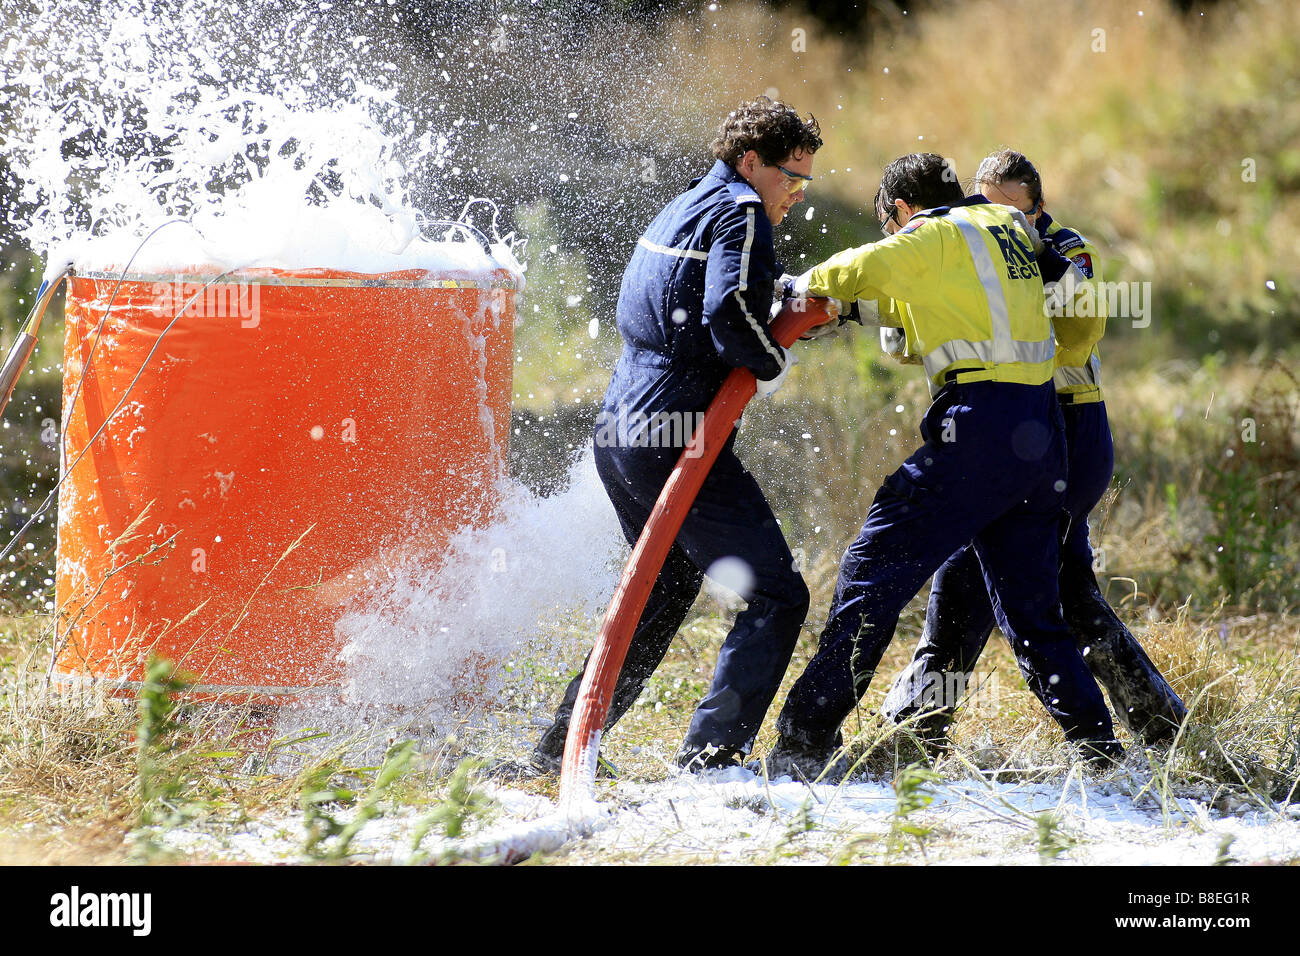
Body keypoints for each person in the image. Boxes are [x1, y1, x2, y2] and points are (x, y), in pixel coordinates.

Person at [765, 152, 1123, 780]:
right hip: (1043, 433)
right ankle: (1103, 756)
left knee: (873, 568)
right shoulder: (1011, 228)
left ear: (901, 210)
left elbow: (863, 268)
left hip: (979, 427)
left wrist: (795, 291)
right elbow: (1074, 312)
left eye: (891, 226)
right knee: (1035, 616)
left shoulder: (928, 233)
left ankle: (804, 738)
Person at [526, 97, 825, 774]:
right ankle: (712, 760)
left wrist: (773, 297)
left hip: (622, 431)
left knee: (657, 592)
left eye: (806, 183)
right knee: (778, 593)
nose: (797, 197)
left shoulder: (689, 200)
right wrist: (772, 360)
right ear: (752, 163)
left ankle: (559, 751)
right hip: (676, 441)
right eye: (791, 178)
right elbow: (725, 314)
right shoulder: (744, 210)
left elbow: (687, 299)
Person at [880, 149, 1186, 747]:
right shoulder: (968, 246)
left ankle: (1149, 727)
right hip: (1017, 436)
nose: (1007, 225)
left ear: (1041, 210)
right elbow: (909, 341)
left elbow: (1070, 323)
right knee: (992, 581)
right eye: (991, 211)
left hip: (1071, 434)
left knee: (1035, 585)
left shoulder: (1066, 249)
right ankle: (1151, 723)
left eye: (1018, 215)